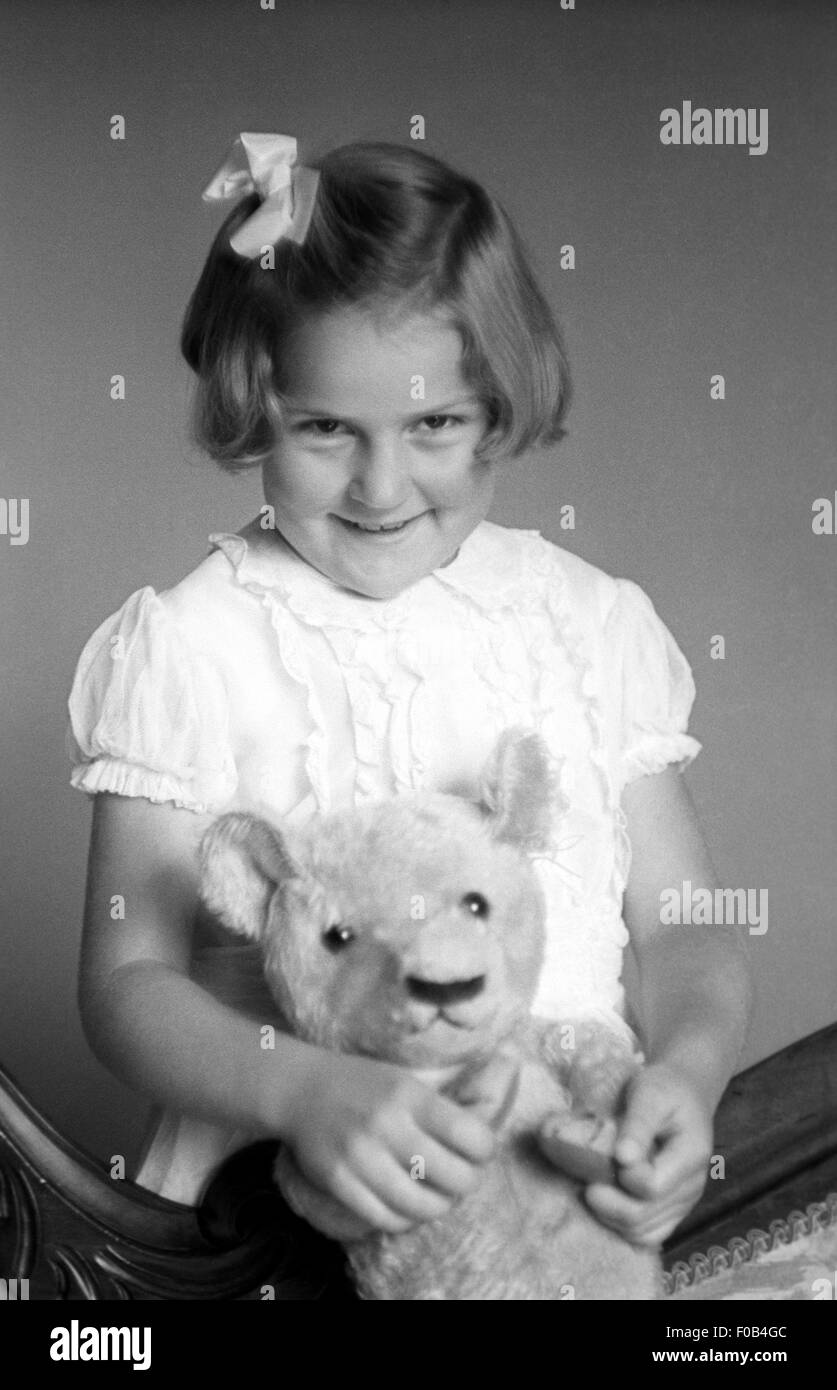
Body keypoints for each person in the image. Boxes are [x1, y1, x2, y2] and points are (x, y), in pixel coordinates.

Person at [67, 133, 752, 1268]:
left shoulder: (587, 622)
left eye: (434, 424)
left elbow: (685, 931)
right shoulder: (190, 641)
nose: (382, 488)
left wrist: (681, 1074)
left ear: (496, 407)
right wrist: (308, 1090)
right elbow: (125, 979)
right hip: (272, 1231)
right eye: (325, 427)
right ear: (255, 402)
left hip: (551, 1218)